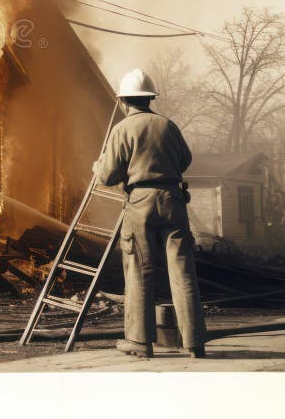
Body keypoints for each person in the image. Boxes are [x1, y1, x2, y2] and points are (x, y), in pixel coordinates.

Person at [93, 68, 206, 359]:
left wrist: (99, 166)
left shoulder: (122, 129)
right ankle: (194, 343)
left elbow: (107, 176)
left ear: (123, 101)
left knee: (140, 270)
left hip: (140, 201)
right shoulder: (168, 125)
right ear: (150, 98)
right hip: (172, 199)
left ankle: (140, 343)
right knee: (183, 272)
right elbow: (186, 159)